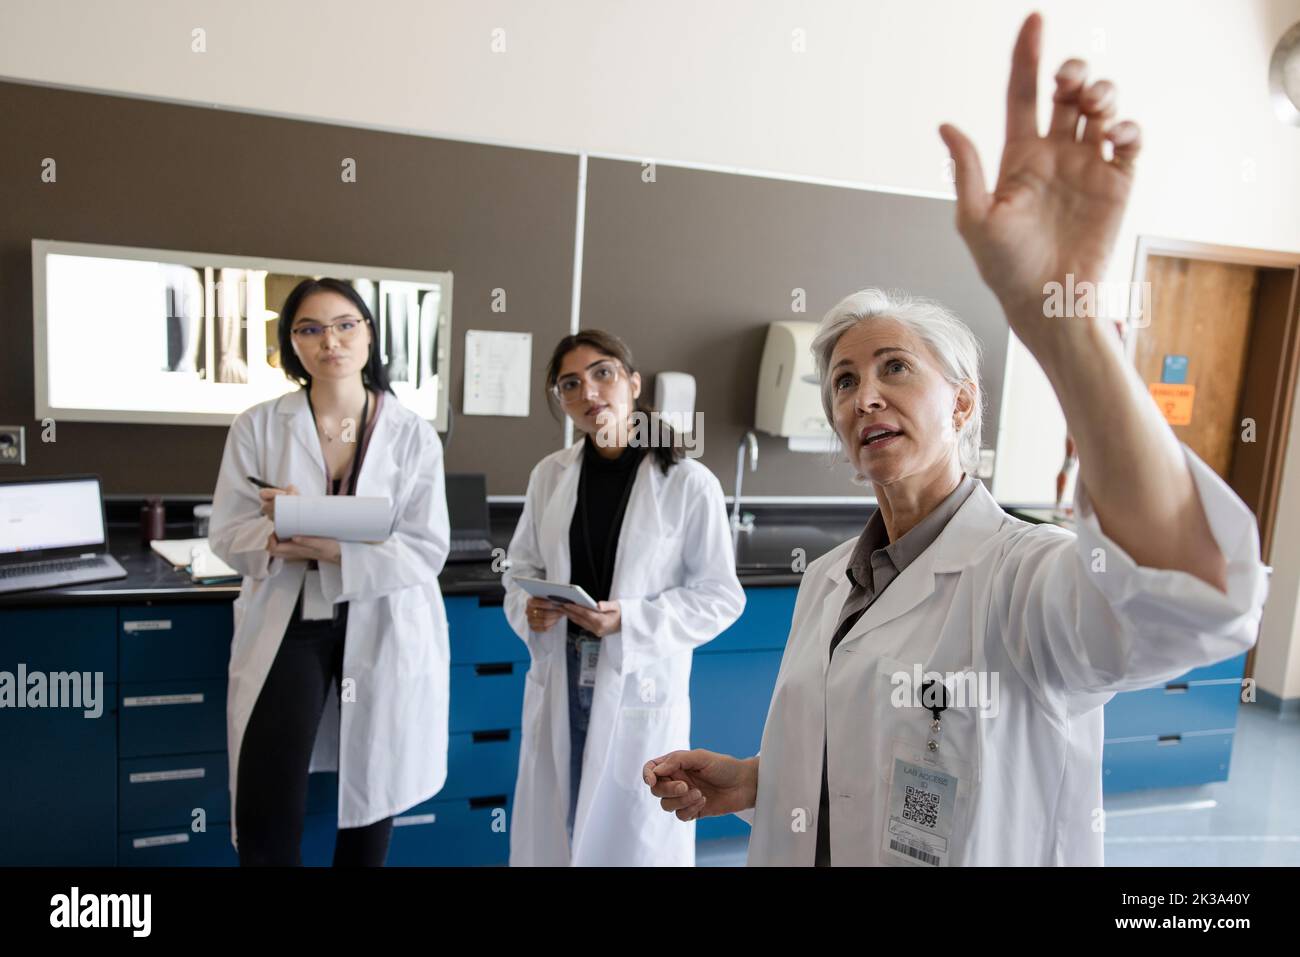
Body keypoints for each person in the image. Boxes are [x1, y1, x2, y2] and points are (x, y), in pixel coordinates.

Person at [643, 13, 1268, 866]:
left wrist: (1066, 313)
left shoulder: (1026, 581)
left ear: (965, 403)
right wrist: (759, 778)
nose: (866, 396)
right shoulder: (832, 581)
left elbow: (1189, 595)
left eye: (896, 368)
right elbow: (863, 751)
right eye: (845, 381)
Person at [209, 277, 451, 866]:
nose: (330, 342)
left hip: (382, 617)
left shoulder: (412, 435)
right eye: (309, 329)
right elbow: (227, 532)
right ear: (292, 343)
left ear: (368, 334)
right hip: (290, 619)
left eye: (345, 325)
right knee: (270, 794)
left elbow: (425, 547)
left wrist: (329, 546)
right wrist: (279, 537)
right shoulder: (258, 426)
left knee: (371, 797)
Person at [503, 330, 745, 866]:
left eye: (603, 373)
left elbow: (721, 597)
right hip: (562, 671)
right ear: (562, 402)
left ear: (633, 384)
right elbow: (521, 567)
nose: (589, 391)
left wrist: (629, 622)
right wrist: (529, 606)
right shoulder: (550, 475)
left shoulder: (687, 482)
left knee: (631, 831)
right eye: (570, 384)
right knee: (560, 817)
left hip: (638, 680)